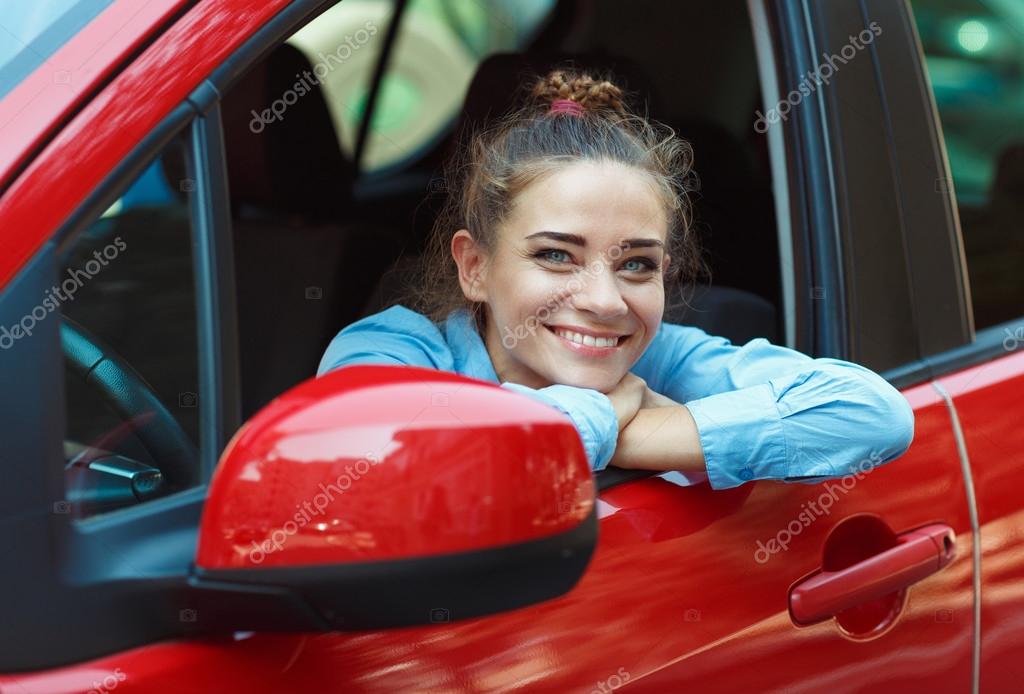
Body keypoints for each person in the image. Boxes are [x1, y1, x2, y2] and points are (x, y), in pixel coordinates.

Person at [317, 69, 914, 489]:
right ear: (475, 266)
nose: (604, 302)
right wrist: (608, 411)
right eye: (556, 256)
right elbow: (408, 471)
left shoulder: (665, 358)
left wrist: (646, 432)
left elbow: (872, 413)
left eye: (635, 265)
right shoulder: (383, 349)